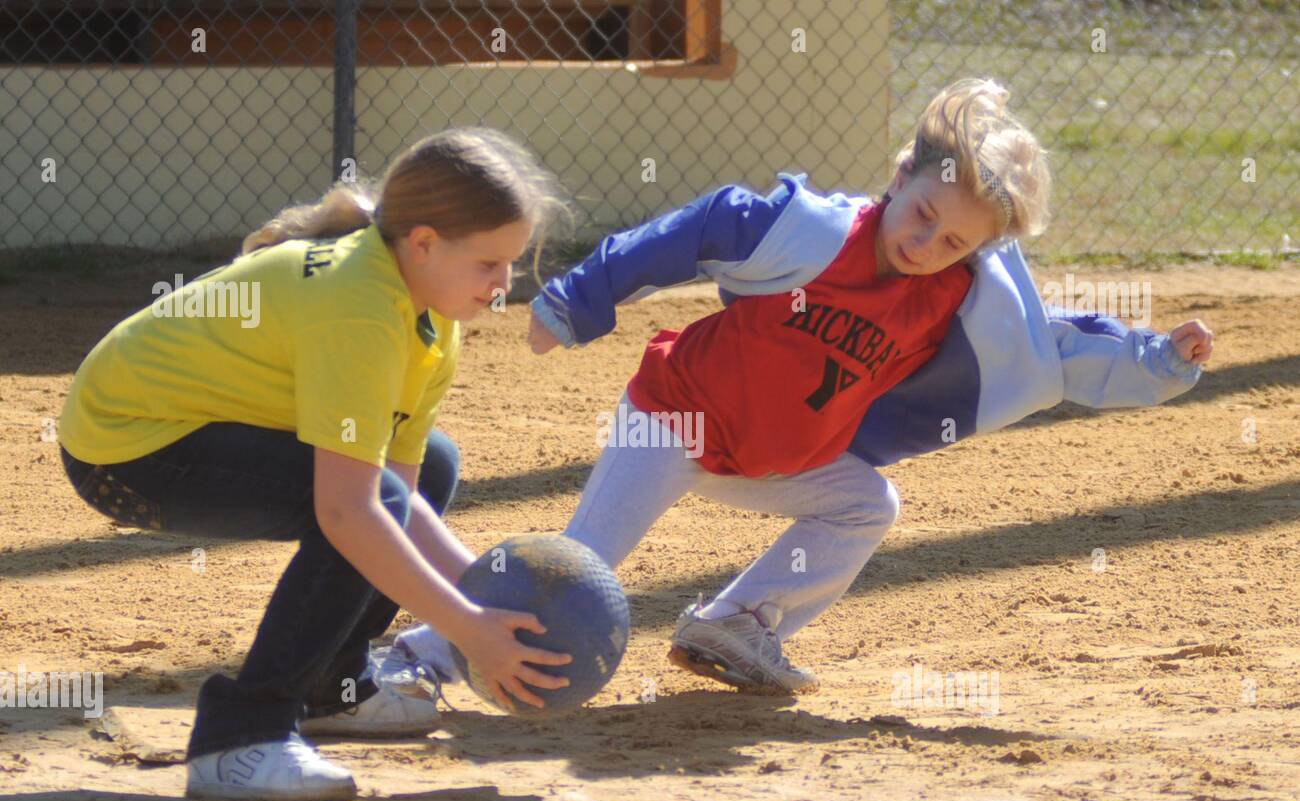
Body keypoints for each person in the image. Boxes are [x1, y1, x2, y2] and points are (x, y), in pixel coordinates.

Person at [391, 78, 1212, 697]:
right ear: (900, 175)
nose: (928, 241)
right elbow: (701, 226)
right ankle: (418, 656)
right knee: (583, 564)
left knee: (866, 504)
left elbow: (1056, 345)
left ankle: (738, 622)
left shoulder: (959, 299)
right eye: (923, 212)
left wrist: (1159, 359)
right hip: (674, 420)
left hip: (782, 458)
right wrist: (581, 297)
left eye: (956, 240)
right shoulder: (812, 232)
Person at [58, 127, 573, 801]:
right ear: (422, 244)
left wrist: (487, 594)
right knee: (363, 507)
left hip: (181, 429)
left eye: (512, 263)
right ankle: (240, 739)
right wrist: (468, 628)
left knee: (431, 464)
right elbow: (349, 510)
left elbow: (407, 495)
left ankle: (335, 684)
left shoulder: (432, 319)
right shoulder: (359, 307)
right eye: (488, 264)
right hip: (123, 445)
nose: (504, 285)